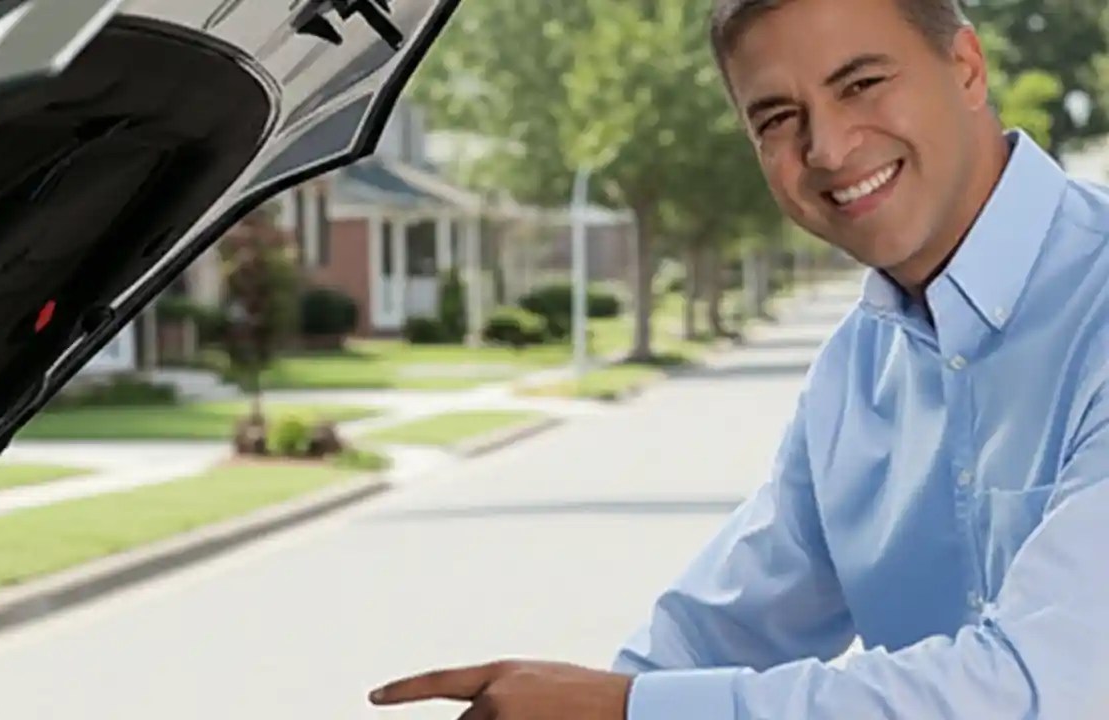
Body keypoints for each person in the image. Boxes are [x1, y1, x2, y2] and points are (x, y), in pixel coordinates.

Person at [368, 0, 1109, 716]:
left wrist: (624, 711)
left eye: (861, 83)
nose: (827, 146)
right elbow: (718, 635)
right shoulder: (854, 372)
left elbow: (1048, 688)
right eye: (778, 118)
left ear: (967, 67)